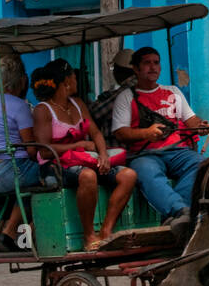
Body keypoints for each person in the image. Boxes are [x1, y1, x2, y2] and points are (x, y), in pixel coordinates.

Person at [32, 59, 137, 250]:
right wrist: (78, 144)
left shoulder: (77, 103)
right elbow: (45, 150)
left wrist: (103, 154)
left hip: (85, 159)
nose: (77, 80)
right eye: (74, 76)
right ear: (66, 81)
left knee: (128, 175)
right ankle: (88, 235)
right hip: (55, 166)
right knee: (88, 176)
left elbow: (96, 132)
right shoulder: (43, 110)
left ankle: (106, 231)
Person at [111, 46, 209, 239]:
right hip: (145, 155)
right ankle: (180, 211)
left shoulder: (173, 92)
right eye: (147, 63)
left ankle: (178, 212)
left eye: (156, 63)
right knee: (147, 173)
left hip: (177, 152)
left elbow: (191, 121)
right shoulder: (126, 96)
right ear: (136, 69)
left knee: (202, 164)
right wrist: (146, 133)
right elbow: (120, 133)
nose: (152, 67)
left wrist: (201, 126)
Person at [0, 55, 53, 251]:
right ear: (21, 81)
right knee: (49, 176)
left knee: (13, 190)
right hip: (7, 172)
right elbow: (31, 149)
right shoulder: (20, 106)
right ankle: (11, 233)